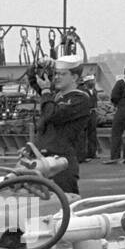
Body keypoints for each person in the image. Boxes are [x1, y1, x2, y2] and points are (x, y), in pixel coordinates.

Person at [30, 55, 92, 197]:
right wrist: (38, 65)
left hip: (62, 162)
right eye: (56, 74)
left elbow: (52, 115)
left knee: (63, 204)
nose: (56, 77)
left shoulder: (80, 99)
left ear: (75, 77)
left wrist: (46, 92)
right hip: (43, 161)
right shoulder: (57, 97)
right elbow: (34, 80)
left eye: (62, 74)